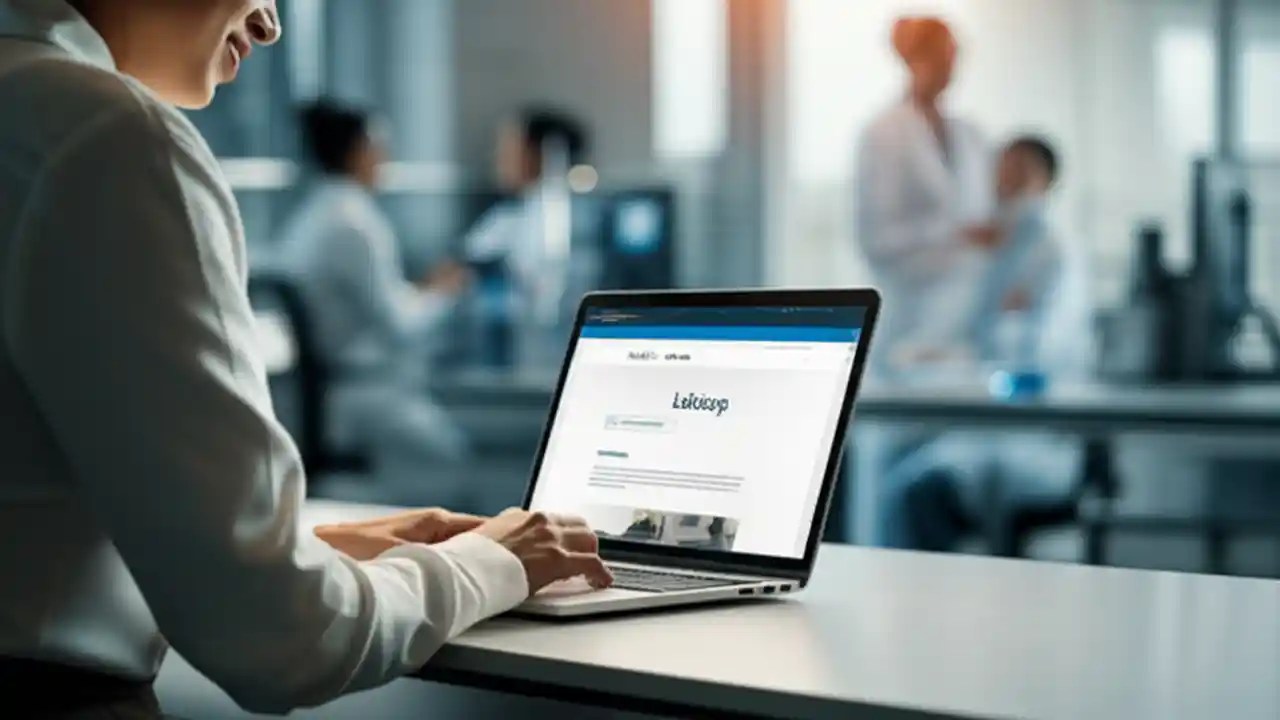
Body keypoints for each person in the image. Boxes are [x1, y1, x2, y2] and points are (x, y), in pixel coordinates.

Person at [0, 2, 611, 717]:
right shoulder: (109, 135)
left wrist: (316, 547)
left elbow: (37, 521)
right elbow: (281, 634)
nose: (272, 22)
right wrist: (493, 562)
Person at [880, 136, 1093, 553]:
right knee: (902, 473)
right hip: (992, 426)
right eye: (1000, 173)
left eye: (1017, 174)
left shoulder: (1052, 251)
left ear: (1044, 181)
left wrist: (973, 360)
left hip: (1034, 436)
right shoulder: (1002, 249)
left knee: (915, 494)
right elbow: (984, 337)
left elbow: (1034, 358)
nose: (1002, 185)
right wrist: (948, 355)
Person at [276, 100, 473, 506]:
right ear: (356, 152)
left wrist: (421, 291)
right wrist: (444, 292)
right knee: (454, 462)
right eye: (378, 146)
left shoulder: (310, 217)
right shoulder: (355, 223)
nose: (385, 158)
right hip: (361, 396)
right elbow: (401, 326)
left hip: (327, 394)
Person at [464, 107, 600, 369]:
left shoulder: (570, 216)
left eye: (508, 149)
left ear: (539, 154)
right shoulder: (510, 217)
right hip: (523, 353)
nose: (497, 158)